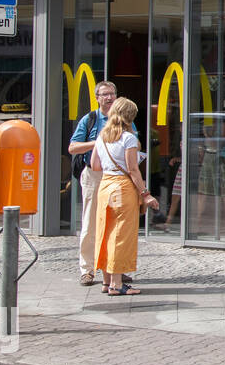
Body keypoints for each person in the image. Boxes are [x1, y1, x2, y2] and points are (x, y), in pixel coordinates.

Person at [68, 81, 137, 286]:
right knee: (90, 223)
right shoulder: (90, 119)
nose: (109, 98)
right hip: (94, 175)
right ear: (97, 97)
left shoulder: (125, 121)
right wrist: (99, 142)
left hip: (118, 176)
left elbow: (135, 143)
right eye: (105, 94)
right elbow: (73, 147)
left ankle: (115, 269)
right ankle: (87, 270)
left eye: (112, 94)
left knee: (117, 226)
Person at [89, 97, 158, 296]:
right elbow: (133, 169)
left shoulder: (102, 136)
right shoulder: (129, 138)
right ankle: (117, 284)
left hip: (105, 186)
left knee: (105, 231)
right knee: (120, 234)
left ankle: (106, 281)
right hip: (122, 188)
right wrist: (145, 194)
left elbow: (95, 166)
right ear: (131, 116)